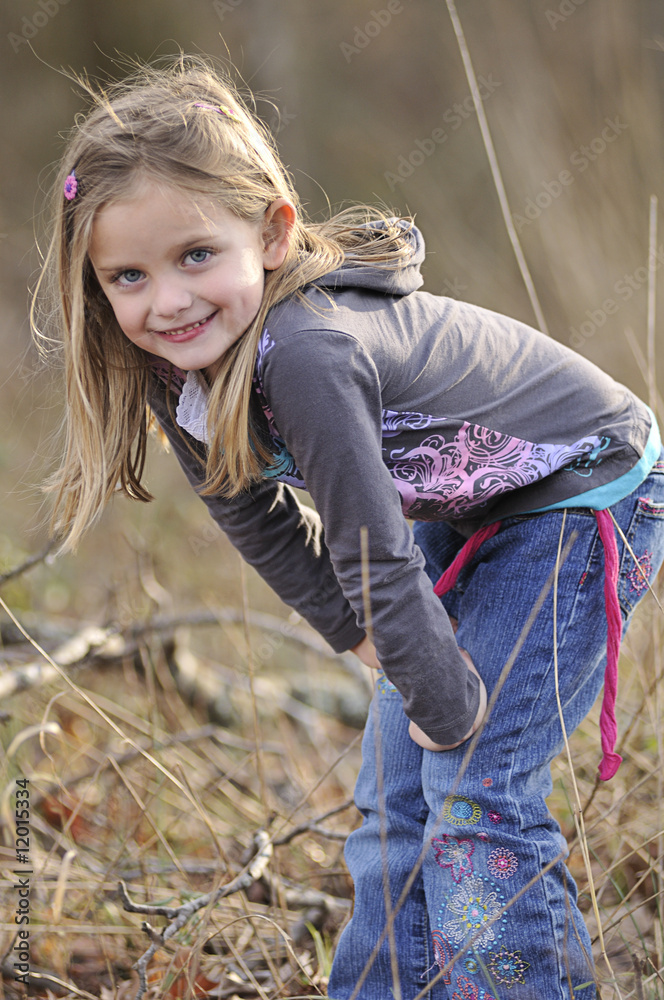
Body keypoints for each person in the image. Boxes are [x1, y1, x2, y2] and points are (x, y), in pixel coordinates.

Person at [33, 55, 664, 1000]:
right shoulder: (176, 367)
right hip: (472, 507)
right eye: (128, 275)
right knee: (390, 809)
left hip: (583, 494)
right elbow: (254, 514)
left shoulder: (309, 356)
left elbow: (373, 547)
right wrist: (360, 635)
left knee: (473, 797)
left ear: (273, 234)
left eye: (196, 255)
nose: (166, 300)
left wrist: (444, 707)